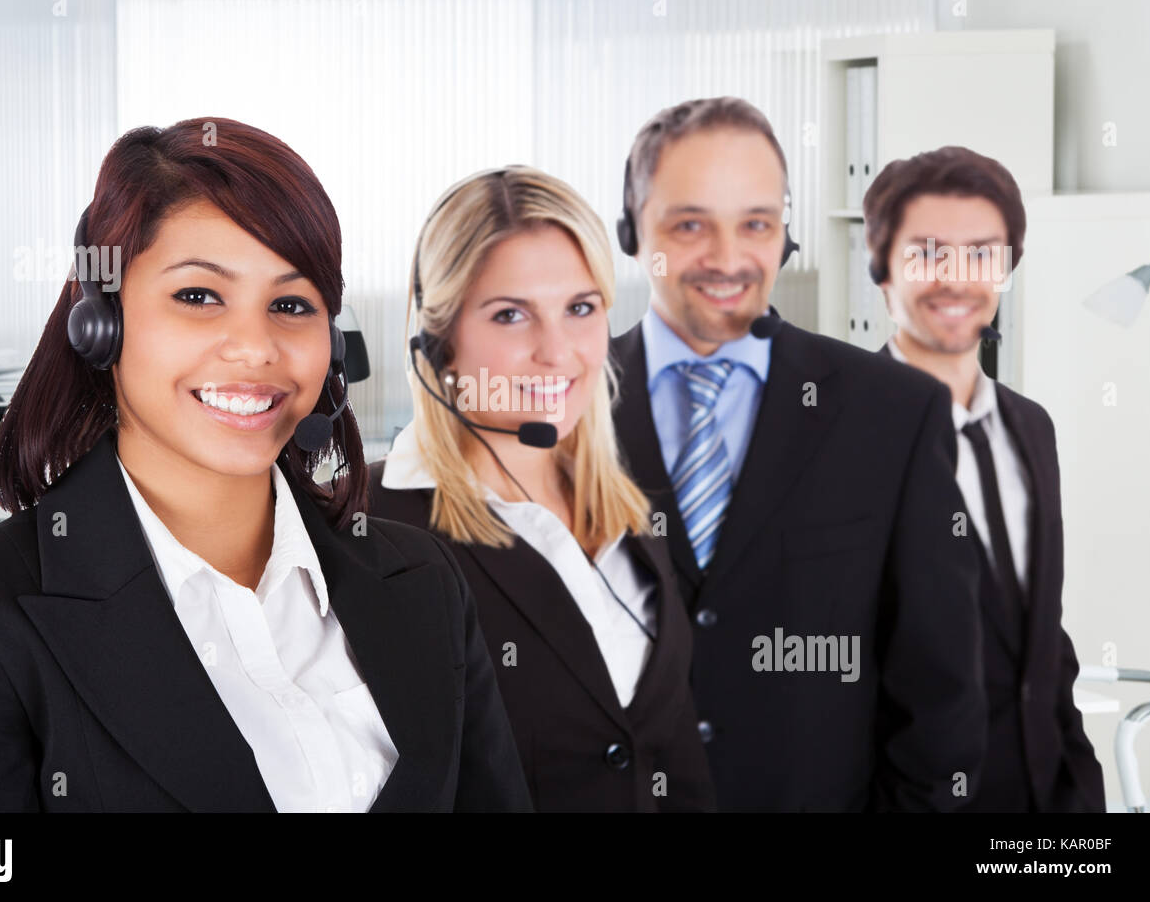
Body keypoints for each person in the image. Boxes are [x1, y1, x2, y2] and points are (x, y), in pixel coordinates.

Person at [0, 118, 531, 813]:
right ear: (102, 321)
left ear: (333, 347)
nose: (255, 347)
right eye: (198, 296)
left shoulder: (424, 582)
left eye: (291, 304)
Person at [609, 96, 986, 811]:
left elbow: (943, 705)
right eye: (690, 225)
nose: (727, 259)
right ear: (634, 231)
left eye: (755, 224)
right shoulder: (565, 407)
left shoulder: (894, 413)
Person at [368, 166, 716, 812]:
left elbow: (666, 750)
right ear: (438, 343)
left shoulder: (628, 508)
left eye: (580, 309)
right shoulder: (375, 529)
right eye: (510, 315)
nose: (558, 352)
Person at [864, 144, 1106, 812]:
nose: (957, 277)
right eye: (928, 251)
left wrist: (1081, 792)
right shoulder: (832, 435)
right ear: (881, 268)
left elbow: (1039, 640)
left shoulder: (1031, 428)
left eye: (981, 252)